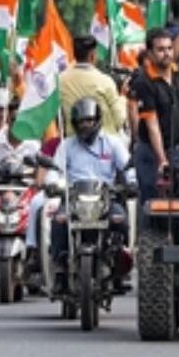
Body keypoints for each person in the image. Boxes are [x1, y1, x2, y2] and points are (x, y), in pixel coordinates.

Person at [49, 98, 130, 291]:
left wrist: (131, 181)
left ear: (97, 120)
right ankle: (60, 269)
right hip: (74, 199)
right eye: (81, 122)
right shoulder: (66, 145)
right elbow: (54, 170)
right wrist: (52, 183)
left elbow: (127, 167)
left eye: (89, 121)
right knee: (58, 220)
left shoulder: (112, 143)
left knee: (121, 220)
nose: (85, 126)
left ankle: (119, 266)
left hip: (106, 199)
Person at [129, 28, 179, 203]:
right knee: (153, 201)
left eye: (169, 48)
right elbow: (152, 125)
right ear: (149, 53)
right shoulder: (144, 81)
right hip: (153, 151)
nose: (166, 53)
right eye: (160, 49)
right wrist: (162, 160)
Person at [59, 34, 127, 138]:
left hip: (73, 144)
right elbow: (120, 119)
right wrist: (123, 98)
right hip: (105, 147)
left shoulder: (60, 81)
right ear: (92, 55)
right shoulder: (105, 81)